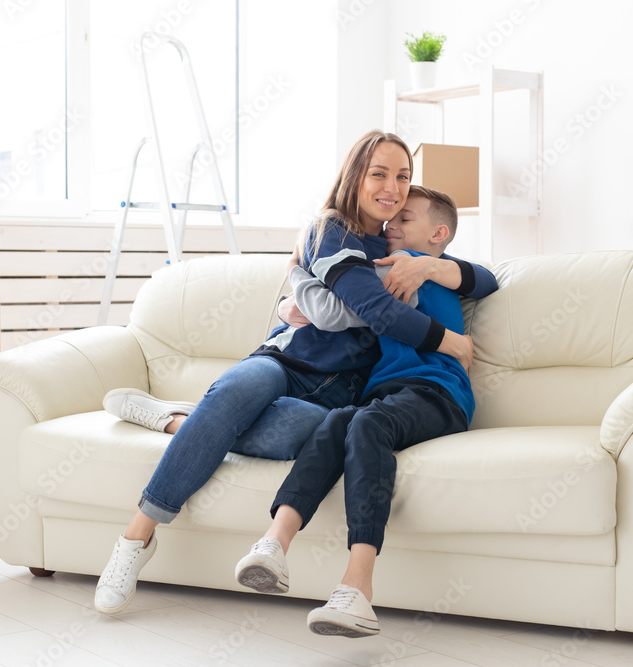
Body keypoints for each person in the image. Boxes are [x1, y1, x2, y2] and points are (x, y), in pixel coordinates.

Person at [94, 130, 484, 616]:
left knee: (296, 434)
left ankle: (180, 420)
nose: (393, 187)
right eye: (379, 173)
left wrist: (430, 268)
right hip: (289, 360)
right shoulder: (331, 229)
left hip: (341, 388)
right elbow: (374, 311)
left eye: (403, 176)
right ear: (355, 176)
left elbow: (481, 277)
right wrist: (448, 339)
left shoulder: (397, 241)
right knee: (235, 393)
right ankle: (137, 538)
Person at [234, 186, 491, 638]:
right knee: (337, 421)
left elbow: (487, 279)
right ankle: (274, 543)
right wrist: (293, 275)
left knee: (368, 422)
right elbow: (326, 281)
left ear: (439, 232)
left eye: (405, 219)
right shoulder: (375, 271)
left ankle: (358, 589)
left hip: (439, 393)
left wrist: (429, 265)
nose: (392, 224)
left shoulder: (443, 272)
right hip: (385, 392)